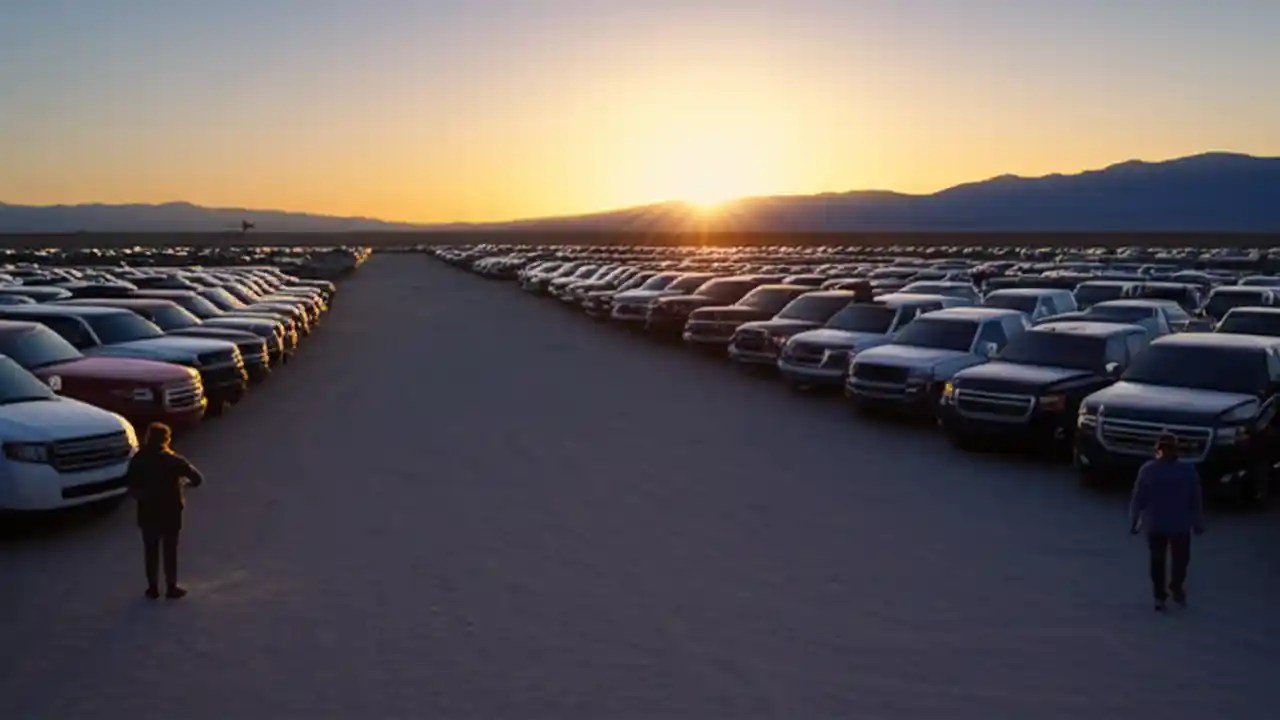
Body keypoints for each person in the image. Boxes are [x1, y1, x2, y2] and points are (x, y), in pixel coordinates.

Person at [127, 422, 204, 600]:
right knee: (170, 550)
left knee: (150, 551)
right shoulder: (175, 460)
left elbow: (131, 484)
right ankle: (171, 587)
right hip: (171, 512)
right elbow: (197, 479)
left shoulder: (138, 459)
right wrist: (184, 484)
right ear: (167, 439)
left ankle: (152, 588)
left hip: (147, 512)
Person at [1129, 434, 1205, 611]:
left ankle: (1176, 585)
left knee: (1182, 560)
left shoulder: (1187, 471)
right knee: (1157, 561)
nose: (1167, 451)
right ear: (1158, 449)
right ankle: (1159, 596)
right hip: (1156, 523)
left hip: (1180, 523)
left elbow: (1195, 498)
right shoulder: (1148, 470)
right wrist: (1134, 519)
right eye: (1164, 448)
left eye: (1170, 448)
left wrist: (1198, 521)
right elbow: (1138, 497)